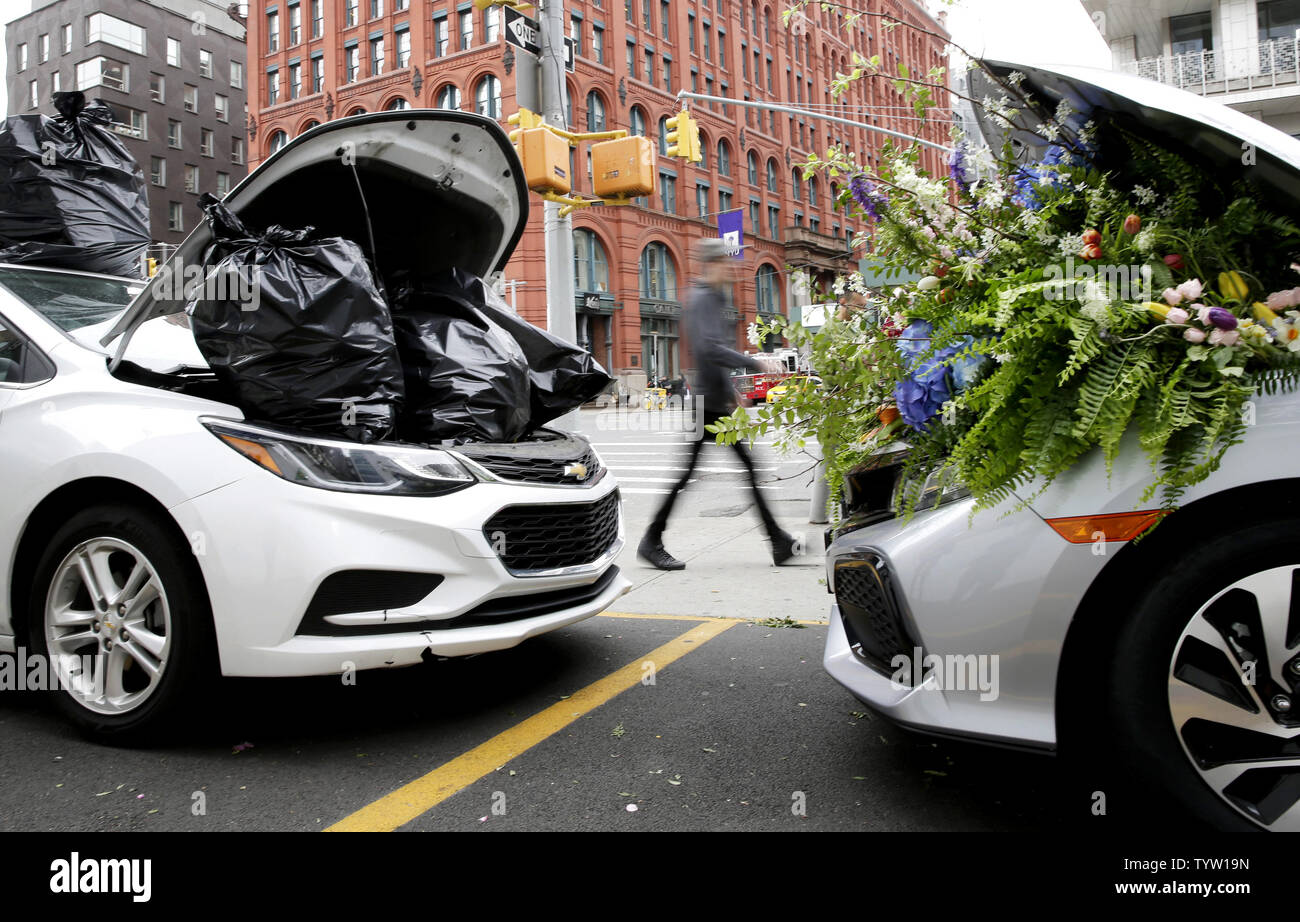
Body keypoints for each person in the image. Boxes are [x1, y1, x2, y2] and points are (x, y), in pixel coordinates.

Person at [637, 239, 797, 570]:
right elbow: (708, 349)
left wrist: (730, 392)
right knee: (687, 475)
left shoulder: (712, 298)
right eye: (727, 263)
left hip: (713, 404)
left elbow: (713, 357)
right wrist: (757, 363)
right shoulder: (700, 299)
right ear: (711, 264)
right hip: (703, 407)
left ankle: (778, 541)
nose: (732, 269)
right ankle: (651, 541)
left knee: (739, 469)